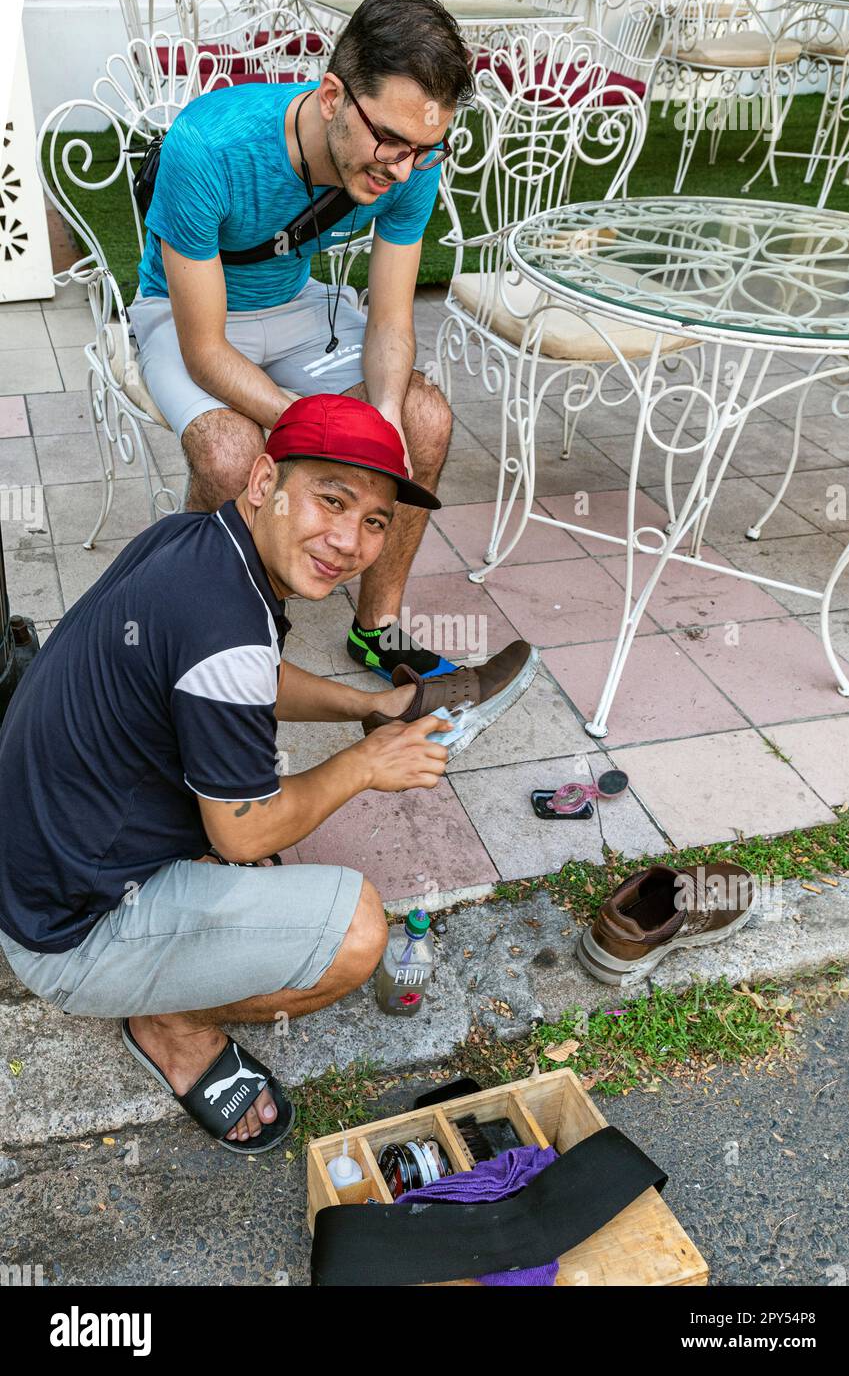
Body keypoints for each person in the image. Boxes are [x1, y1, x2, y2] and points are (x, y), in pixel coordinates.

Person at [0, 394, 537, 1154]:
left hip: (41, 856)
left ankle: (166, 954)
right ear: (262, 482)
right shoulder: (226, 632)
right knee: (356, 931)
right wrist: (363, 763)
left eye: (375, 521)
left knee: (255, 838)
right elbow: (244, 832)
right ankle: (168, 1021)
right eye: (331, 499)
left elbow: (254, 678)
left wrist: (368, 704)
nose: (350, 540)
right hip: (65, 933)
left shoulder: (193, 542)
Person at [130, 0, 474, 683]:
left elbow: (390, 322)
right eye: (390, 142)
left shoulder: (410, 157)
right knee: (233, 456)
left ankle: (375, 630)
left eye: (424, 149)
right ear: (331, 97)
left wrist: (380, 421)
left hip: (298, 308)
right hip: (186, 313)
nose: (402, 169)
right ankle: (192, 636)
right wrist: (323, 429)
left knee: (423, 418)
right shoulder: (208, 146)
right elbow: (206, 350)